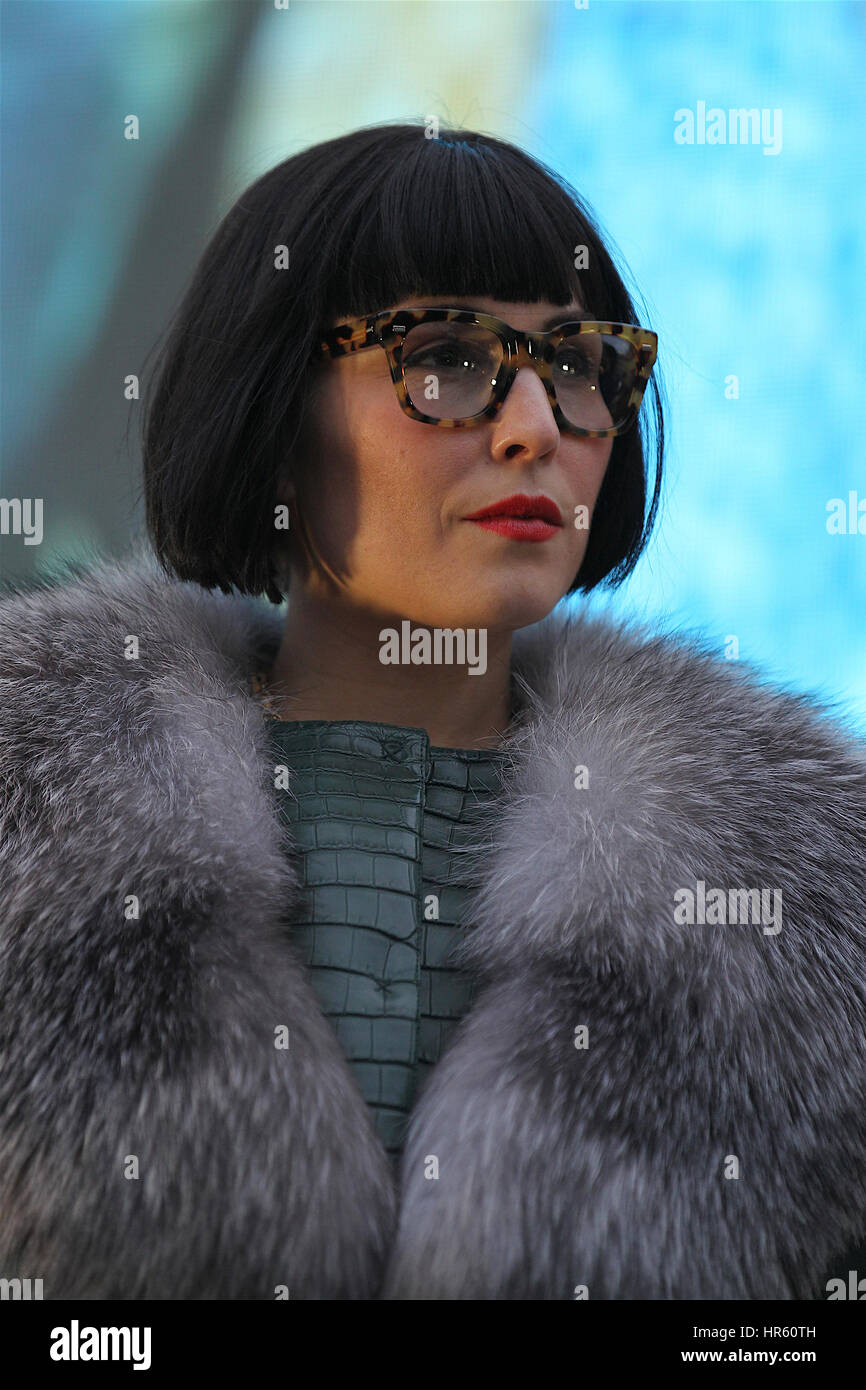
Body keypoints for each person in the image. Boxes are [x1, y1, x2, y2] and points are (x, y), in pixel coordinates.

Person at [1, 122, 865, 1301]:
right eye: (447, 359)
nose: (535, 427)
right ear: (268, 405)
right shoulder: (28, 823)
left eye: (578, 364)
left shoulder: (814, 904)